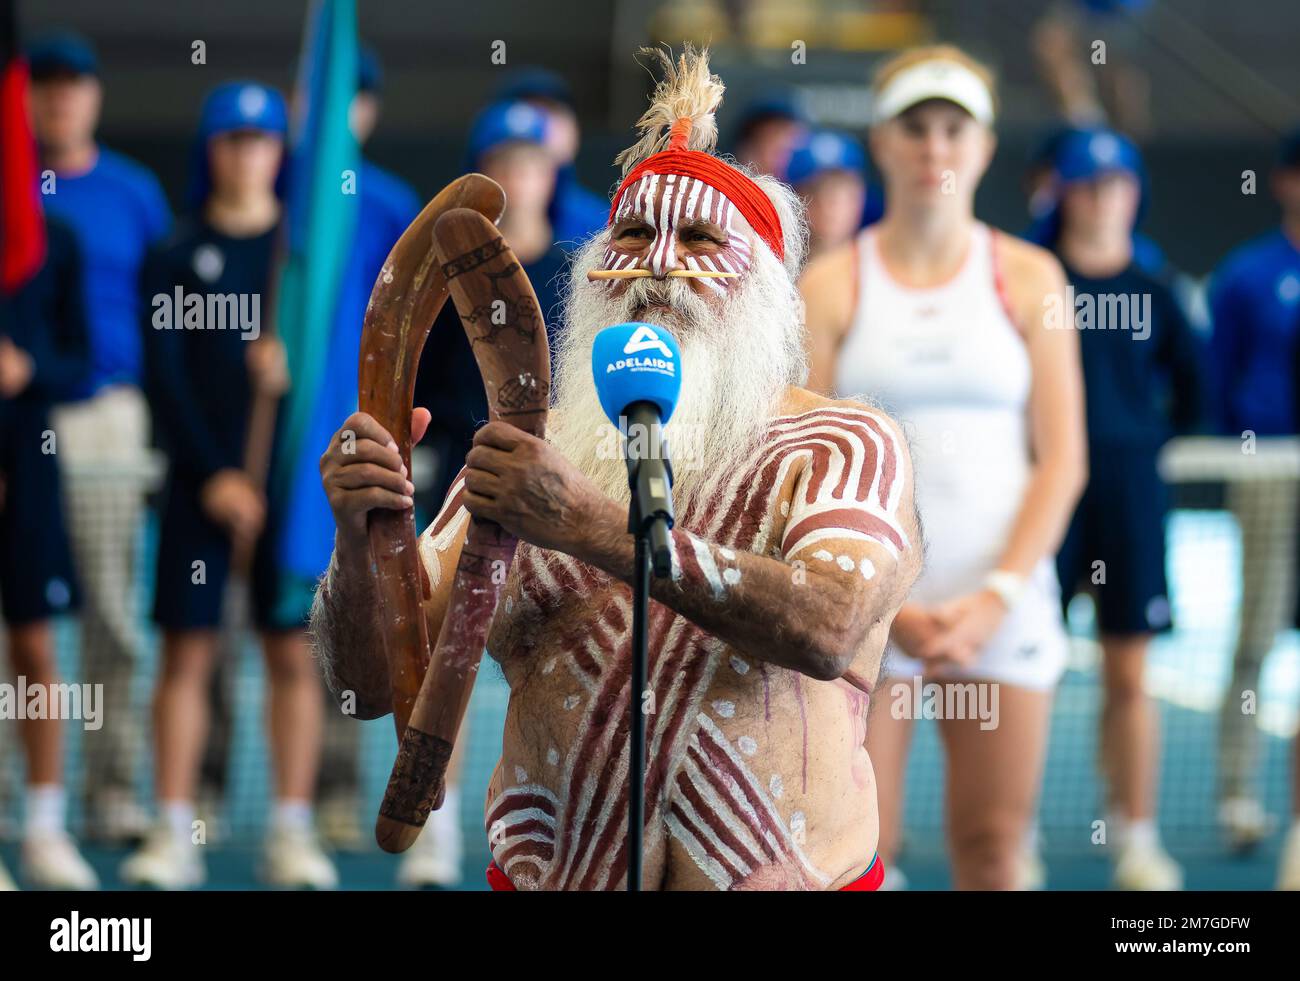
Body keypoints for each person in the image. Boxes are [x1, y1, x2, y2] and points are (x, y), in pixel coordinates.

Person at [312, 45, 922, 891]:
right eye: (632, 233)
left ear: (768, 288)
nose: (659, 261)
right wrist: (361, 540)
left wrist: (592, 529)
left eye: (702, 237)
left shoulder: (841, 446)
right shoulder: (526, 454)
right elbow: (371, 682)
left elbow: (827, 627)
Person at [800, 45, 1087, 890]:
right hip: (864, 618)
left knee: (994, 847)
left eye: (953, 129)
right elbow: (810, 464)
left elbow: (1062, 460)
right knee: (852, 858)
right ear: (883, 143)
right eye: (914, 128)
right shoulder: (829, 285)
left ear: (985, 146)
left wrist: (993, 597)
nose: (935, 149)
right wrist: (894, 610)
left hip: (1001, 614)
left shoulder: (1033, 276)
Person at [121, 82, 336, 889]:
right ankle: (173, 829)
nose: (247, 153)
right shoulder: (177, 254)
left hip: (288, 490)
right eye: (232, 138)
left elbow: (340, 371)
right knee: (188, 651)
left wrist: (291, 371)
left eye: (263, 139)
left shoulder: (302, 262)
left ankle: (291, 830)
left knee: (292, 651)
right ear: (210, 151)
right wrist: (213, 476)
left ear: (281, 154)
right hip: (200, 486)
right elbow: (164, 379)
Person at [404, 98, 569, 888]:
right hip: (464, 487)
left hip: (556, 490)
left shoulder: (577, 268)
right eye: (501, 164)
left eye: (531, 162)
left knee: (558, 656)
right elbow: (427, 390)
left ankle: (561, 833)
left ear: (550, 173)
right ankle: (435, 835)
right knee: (449, 657)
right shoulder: (444, 280)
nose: (517, 177)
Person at [1044, 127, 1205, 889]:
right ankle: (1013, 834)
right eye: (1088, 182)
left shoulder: (1158, 290)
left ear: (1136, 192)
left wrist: (1138, 443)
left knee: (1130, 675)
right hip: (1046, 499)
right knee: (1026, 672)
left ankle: (1137, 837)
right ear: (1063, 192)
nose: (1105, 196)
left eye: (1118, 182)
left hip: (1133, 499)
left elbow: (1196, 392)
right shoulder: (1032, 281)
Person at [27, 31, 171, 843]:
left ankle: (111, 790)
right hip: (16, 413)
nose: (59, 97)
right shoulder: (11, 188)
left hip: (106, 418)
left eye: (74, 83)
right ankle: (26, 796)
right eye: (43, 83)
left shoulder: (132, 192)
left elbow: (164, 306)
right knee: (21, 621)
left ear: (94, 97)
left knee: (112, 615)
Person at [1209, 126, 1300, 848]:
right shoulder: (1246, 274)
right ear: (1282, 182)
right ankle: (1237, 794)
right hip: (1266, 470)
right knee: (1258, 634)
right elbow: (1218, 376)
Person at [0, 216, 96, 889]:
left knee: (35, 647)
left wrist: (27, 367)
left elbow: (80, 362)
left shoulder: (51, 237)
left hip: (30, 467)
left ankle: (43, 826)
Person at [496, 68, 609, 246]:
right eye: (530, 113)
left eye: (554, 113)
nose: (544, 127)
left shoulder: (602, 222)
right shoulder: (472, 221)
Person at [785, 128, 868, 259]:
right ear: (794, 199)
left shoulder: (879, 266)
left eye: (841, 187)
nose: (828, 202)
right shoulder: (773, 268)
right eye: (814, 189)